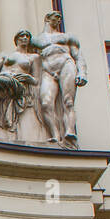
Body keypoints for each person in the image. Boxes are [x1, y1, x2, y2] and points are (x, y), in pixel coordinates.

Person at [31, 12, 88, 147]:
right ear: (47, 19)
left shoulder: (67, 37)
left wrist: (82, 73)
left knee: (68, 101)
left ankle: (69, 132)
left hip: (65, 64)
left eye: (60, 18)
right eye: (56, 17)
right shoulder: (36, 40)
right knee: (45, 103)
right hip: (47, 70)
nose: (59, 20)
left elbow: (78, 56)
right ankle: (55, 135)